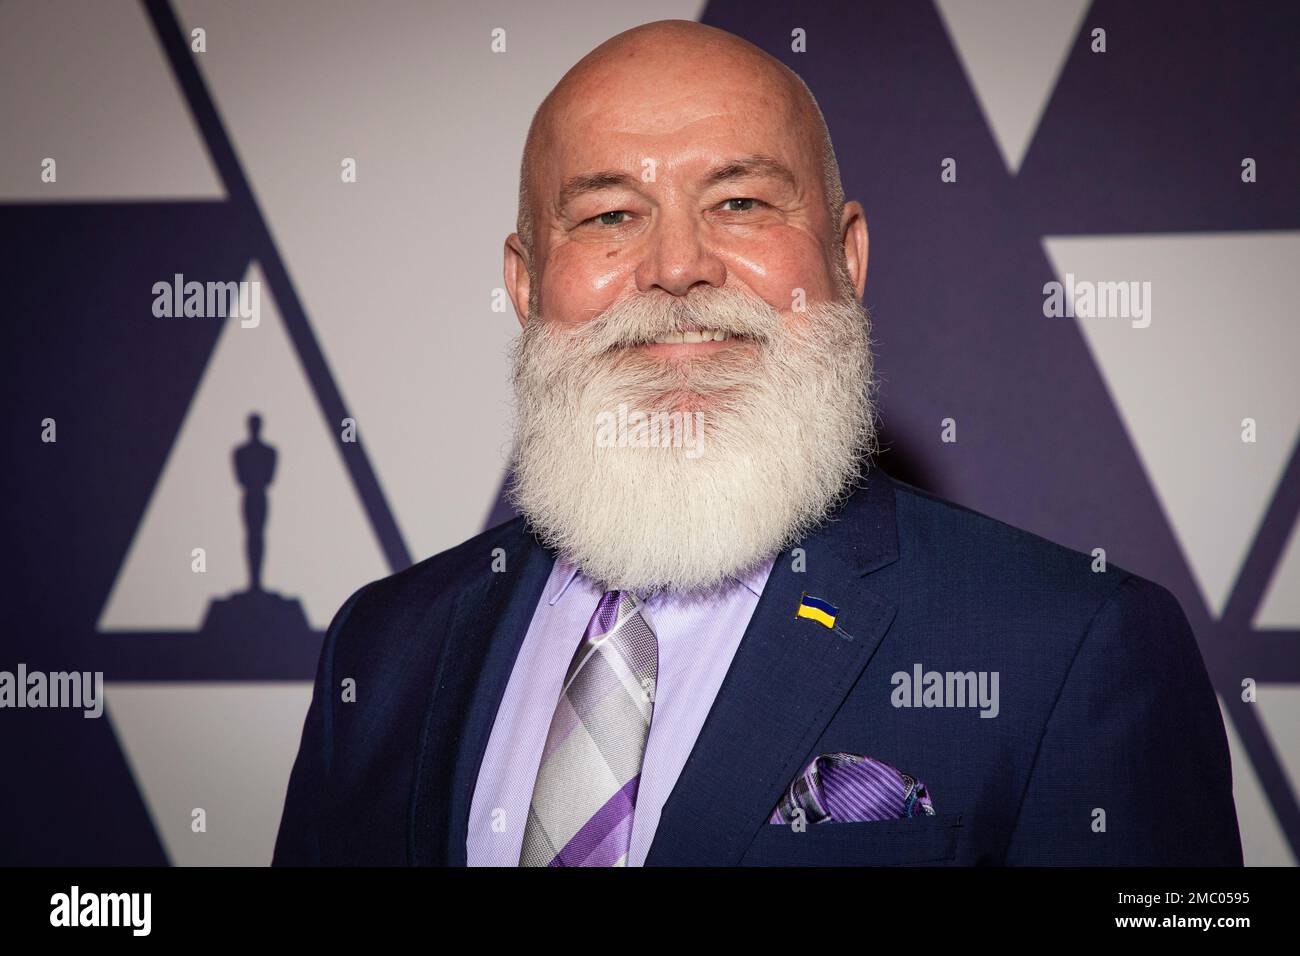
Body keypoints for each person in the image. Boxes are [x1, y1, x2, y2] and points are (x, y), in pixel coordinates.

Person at [273, 19, 1240, 866]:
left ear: (846, 257)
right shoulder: (382, 647)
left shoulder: (1072, 647)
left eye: (739, 202)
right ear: (526, 286)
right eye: (609, 215)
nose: (679, 267)